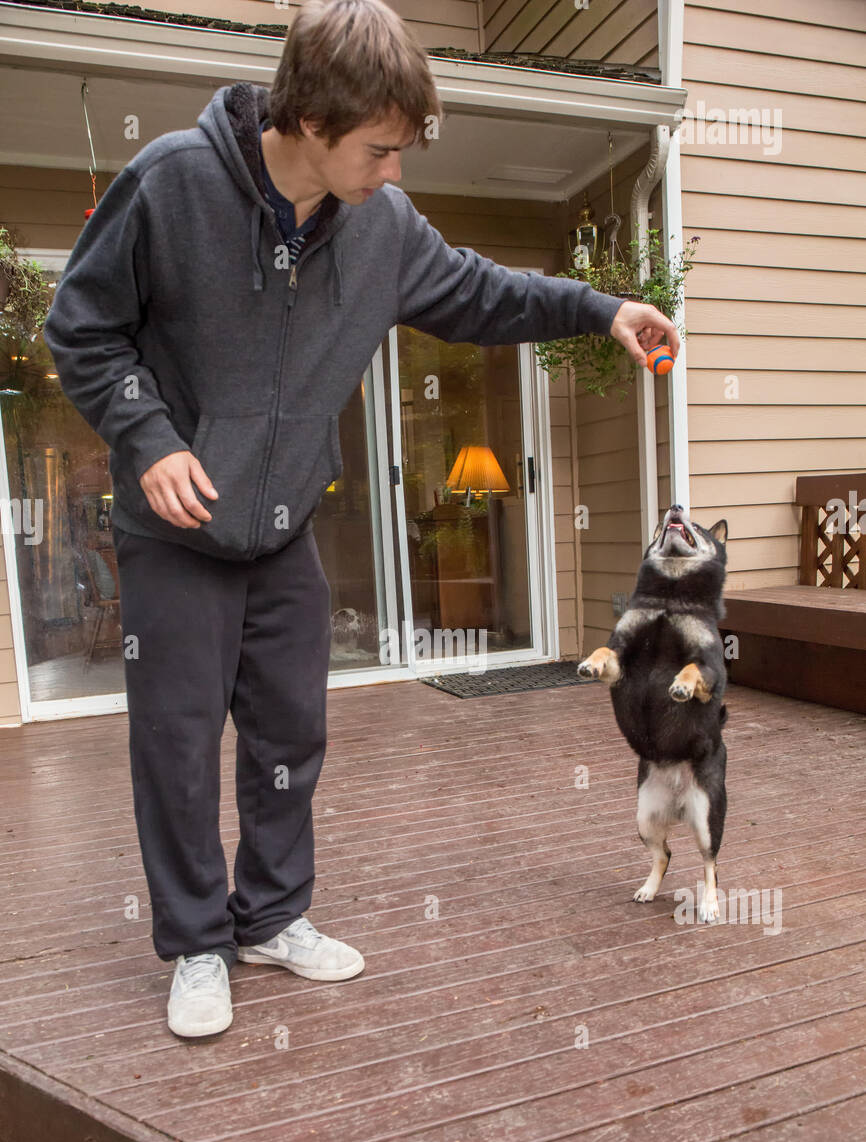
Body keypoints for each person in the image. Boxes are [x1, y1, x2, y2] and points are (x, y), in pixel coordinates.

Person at [42, 0, 679, 1040]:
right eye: (379, 148)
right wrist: (149, 440)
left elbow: (482, 291)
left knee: (291, 733)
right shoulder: (170, 183)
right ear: (308, 120)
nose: (394, 171)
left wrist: (599, 309)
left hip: (282, 527)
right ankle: (198, 940)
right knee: (178, 740)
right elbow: (82, 326)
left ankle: (271, 916)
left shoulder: (378, 227)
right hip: (176, 533)